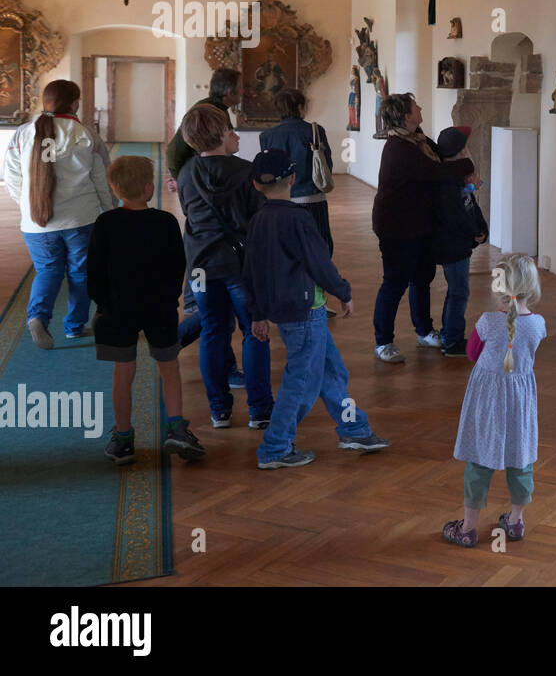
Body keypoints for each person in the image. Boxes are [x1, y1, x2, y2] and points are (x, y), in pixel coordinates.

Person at [243, 149, 389, 469]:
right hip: (307, 311)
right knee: (301, 382)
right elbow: (319, 263)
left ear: (256, 184)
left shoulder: (257, 221)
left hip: (289, 313)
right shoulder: (298, 218)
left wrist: (256, 314)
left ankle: (353, 428)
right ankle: (275, 447)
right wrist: (344, 292)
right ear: (294, 178)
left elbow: (250, 273)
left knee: (332, 373)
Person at [88, 155, 204, 464]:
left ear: (114, 189)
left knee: (123, 373)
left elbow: (94, 272)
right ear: (149, 187)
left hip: (117, 310)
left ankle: (123, 438)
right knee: (169, 368)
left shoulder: (105, 223)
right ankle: (177, 429)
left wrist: (102, 303)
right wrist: (170, 299)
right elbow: (178, 265)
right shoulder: (165, 221)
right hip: (159, 308)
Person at [175, 104, 273, 429]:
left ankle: (219, 411)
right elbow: (259, 220)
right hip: (240, 263)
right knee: (254, 331)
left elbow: (190, 213)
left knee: (213, 332)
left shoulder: (186, 173)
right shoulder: (246, 172)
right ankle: (260, 411)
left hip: (201, 266)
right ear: (221, 133)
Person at [443, 254, 546, 548]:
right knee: (521, 458)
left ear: (498, 288)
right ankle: (515, 521)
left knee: (479, 457)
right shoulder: (538, 324)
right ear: (532, 288)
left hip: (488, 399)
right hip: (520, 400)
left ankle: (468, 527)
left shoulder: (488, 321)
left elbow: (472, 353)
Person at [2, 79, 113, 348]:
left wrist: (27, 205)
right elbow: (102, 179)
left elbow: (11, 178)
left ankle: (37, 316)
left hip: (37, 222)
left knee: (48, 271)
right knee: (80, 274)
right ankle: (74, 326)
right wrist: (110, 212)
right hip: (81, 219)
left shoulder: (22, 134)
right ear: (75, 103)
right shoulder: (86, 135)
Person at [371, 93, 474, 364]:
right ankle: (383, 341)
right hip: (397, 227)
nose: (420, 107)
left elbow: (439, 156)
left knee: (421, 280)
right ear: (406, 116)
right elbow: (436, 172)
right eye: (416, 106)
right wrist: (468, 164)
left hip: (420, 224)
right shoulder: (398, 148)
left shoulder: (418, 140)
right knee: (394, 283)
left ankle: (424, 331)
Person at [171, 68, 243, 389]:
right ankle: (226, 381)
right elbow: (175, 151)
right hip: (223, 257)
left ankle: (220, 394)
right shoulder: (208, 112)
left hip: (208, 253)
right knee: (224, 316)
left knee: (219, 316)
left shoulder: (217, 114)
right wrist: (191, 176)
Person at [430, 126, 487, 357]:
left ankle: (449, 335)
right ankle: (452, 340)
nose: (467, 151)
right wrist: (474, 232)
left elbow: (470, 205)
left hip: (459, 243)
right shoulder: (447, 181)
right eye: (464, 147)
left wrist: (482, 229)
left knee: (457, 291)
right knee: (459, 291)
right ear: (458, 151)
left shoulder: (457, 177)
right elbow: (456, 215)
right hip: (453, 244)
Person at [259, 89, 335, 254]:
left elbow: (267, 172)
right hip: (312, 197)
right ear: (300, 107)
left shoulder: (266, 136)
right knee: (319, 247)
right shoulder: (315, 131)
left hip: (280, 199)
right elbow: (327, 165)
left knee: (286, 248)